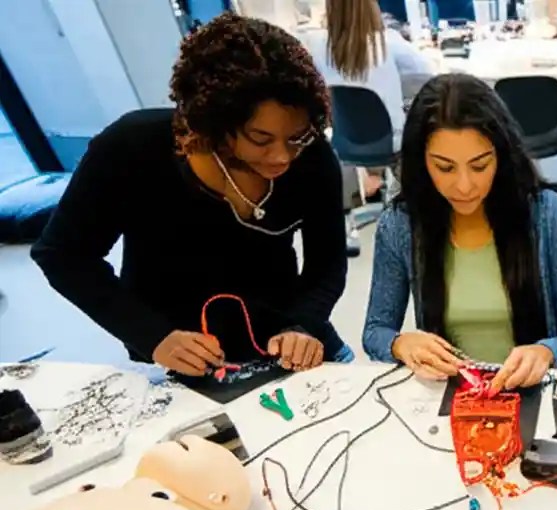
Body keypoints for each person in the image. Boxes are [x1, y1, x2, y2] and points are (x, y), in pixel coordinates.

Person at [32, 14, 350, 376]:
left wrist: (303, 326)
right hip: (182, 356)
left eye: (296, 137)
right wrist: (154, 336)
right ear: (217, 122)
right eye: (260, 139)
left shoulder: (312, 159)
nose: (282, 157)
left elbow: (327, 266)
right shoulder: (132, 149)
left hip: (286, 343)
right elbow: (63, 255)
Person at [362, 74, 557, 390]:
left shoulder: (547, 214)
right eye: (445, 167)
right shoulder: (400, 225)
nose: (464, 186)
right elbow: (375, 331)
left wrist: (547, 351)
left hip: (542, 391)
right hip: (460, 392)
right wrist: (400, 344)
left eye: (479, 166)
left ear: (501, 155)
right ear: (421, 161)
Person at [297, 0, 435, 152]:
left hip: (345, 145)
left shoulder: (318, 46)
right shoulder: (388, 42)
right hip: (392, 145)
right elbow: (429, 73)